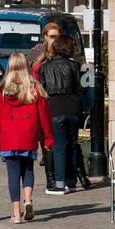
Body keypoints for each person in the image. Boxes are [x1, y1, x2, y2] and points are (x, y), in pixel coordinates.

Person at [0, 53, 54, 224]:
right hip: (28, 134)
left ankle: (16, 214)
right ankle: (29, 201)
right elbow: (44, 117)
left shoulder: (1, 90)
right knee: (28, 170)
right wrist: (48, 139)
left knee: (13, 174)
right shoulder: (35, 88)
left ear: (9, 67)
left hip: (9, 137)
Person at [37, 34, 84, 194]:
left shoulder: (44, 67)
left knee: (59, 146)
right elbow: (82, 88)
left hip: (54, 107)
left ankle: (59, 183)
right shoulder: (76, 66)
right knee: (72, 144)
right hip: (73, 106)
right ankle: (71, 181)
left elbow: (41, 90)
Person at [29, 22, 62, 191]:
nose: (54, 40)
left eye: (57, 37)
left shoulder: (63, 54)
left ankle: (61, 178)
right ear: (44, 38)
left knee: (60, 143)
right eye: (51, 37)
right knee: (47, 143)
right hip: (41, 104)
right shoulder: (36, 56)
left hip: (59, 103)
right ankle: (51, 181)